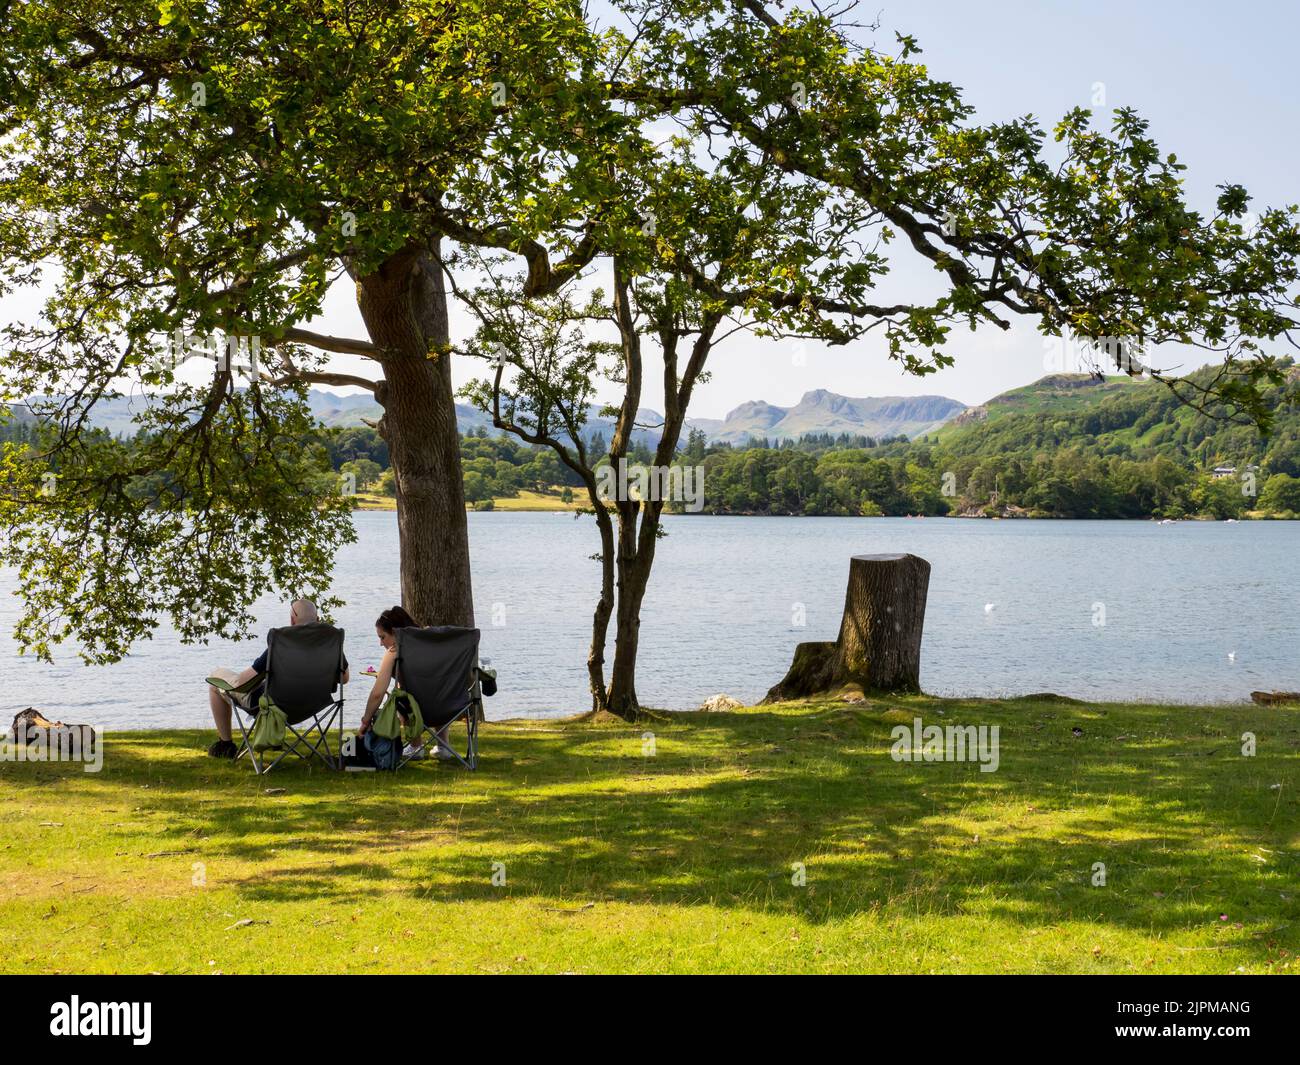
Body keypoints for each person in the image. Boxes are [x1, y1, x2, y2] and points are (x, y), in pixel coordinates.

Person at [205, 598, 349, 759]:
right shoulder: (331, 643)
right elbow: (344, 679)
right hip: (314, 705)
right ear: (318, 619)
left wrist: (233, 685)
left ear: (292, 619)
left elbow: (242, 683)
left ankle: (226, 745)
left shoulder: (282, 642)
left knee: (215, 678)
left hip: (274, 707)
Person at [358, 605, 455, 762]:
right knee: (436, 688)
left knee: (403, 694)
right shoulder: (431, 640)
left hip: (416, 711)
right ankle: (443, 746)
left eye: (382, 637)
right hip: (449, 706)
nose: (381, 643)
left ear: (395, 633)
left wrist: (366, 721)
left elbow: (378, 693)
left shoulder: (394, 651)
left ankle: (416, 746)